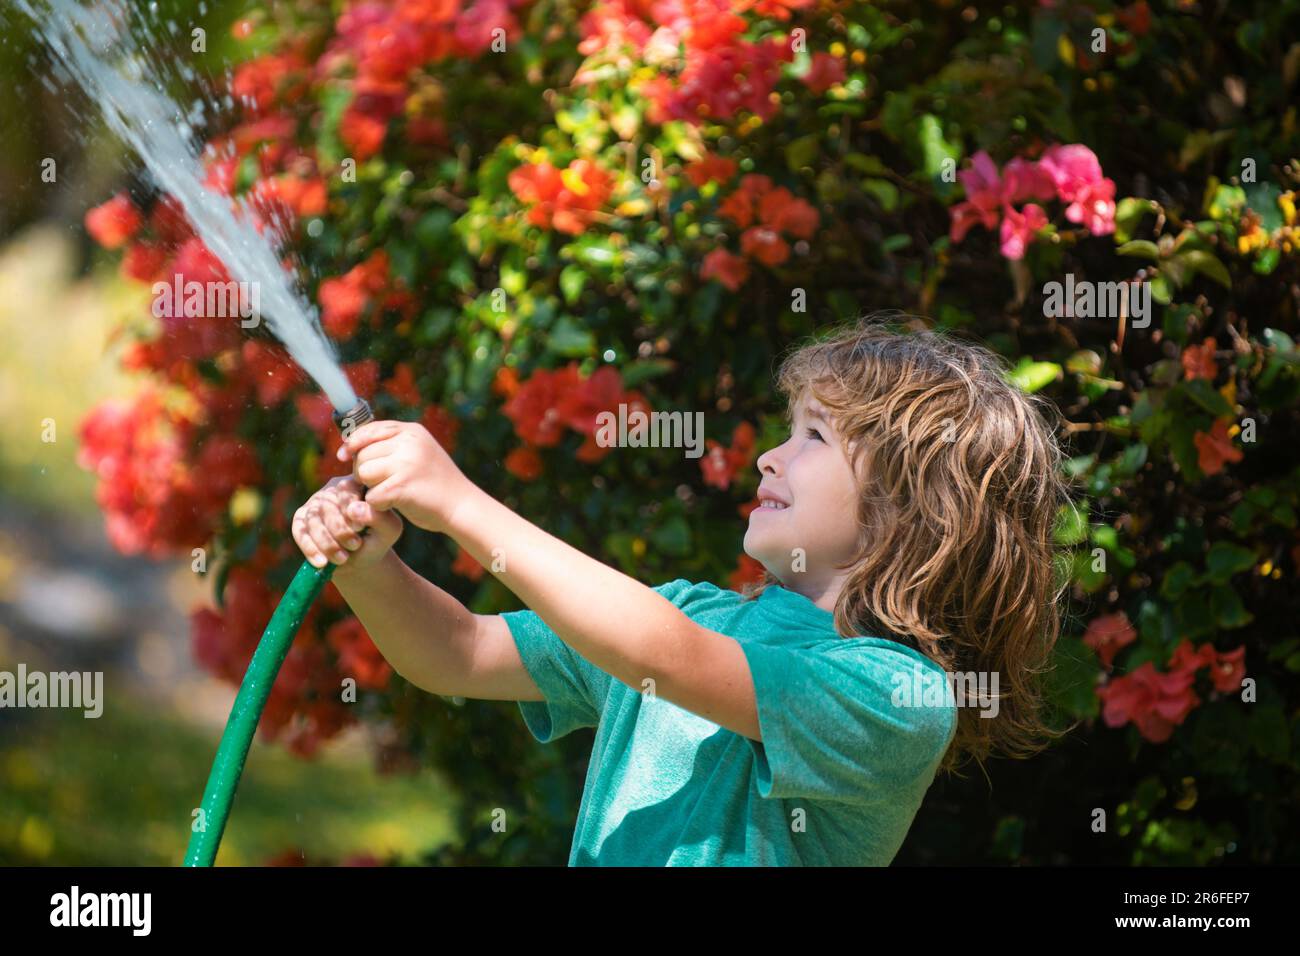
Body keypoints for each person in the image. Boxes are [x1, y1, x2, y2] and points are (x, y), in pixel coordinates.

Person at [291, 314, 1071, 865]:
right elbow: (457, 652)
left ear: (909, 509)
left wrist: (460, 504)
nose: (769, 456)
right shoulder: (690, 611)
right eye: (785, 428)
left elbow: (664, 657)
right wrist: (369, 565)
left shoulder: (898, 695)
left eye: (813, 438)